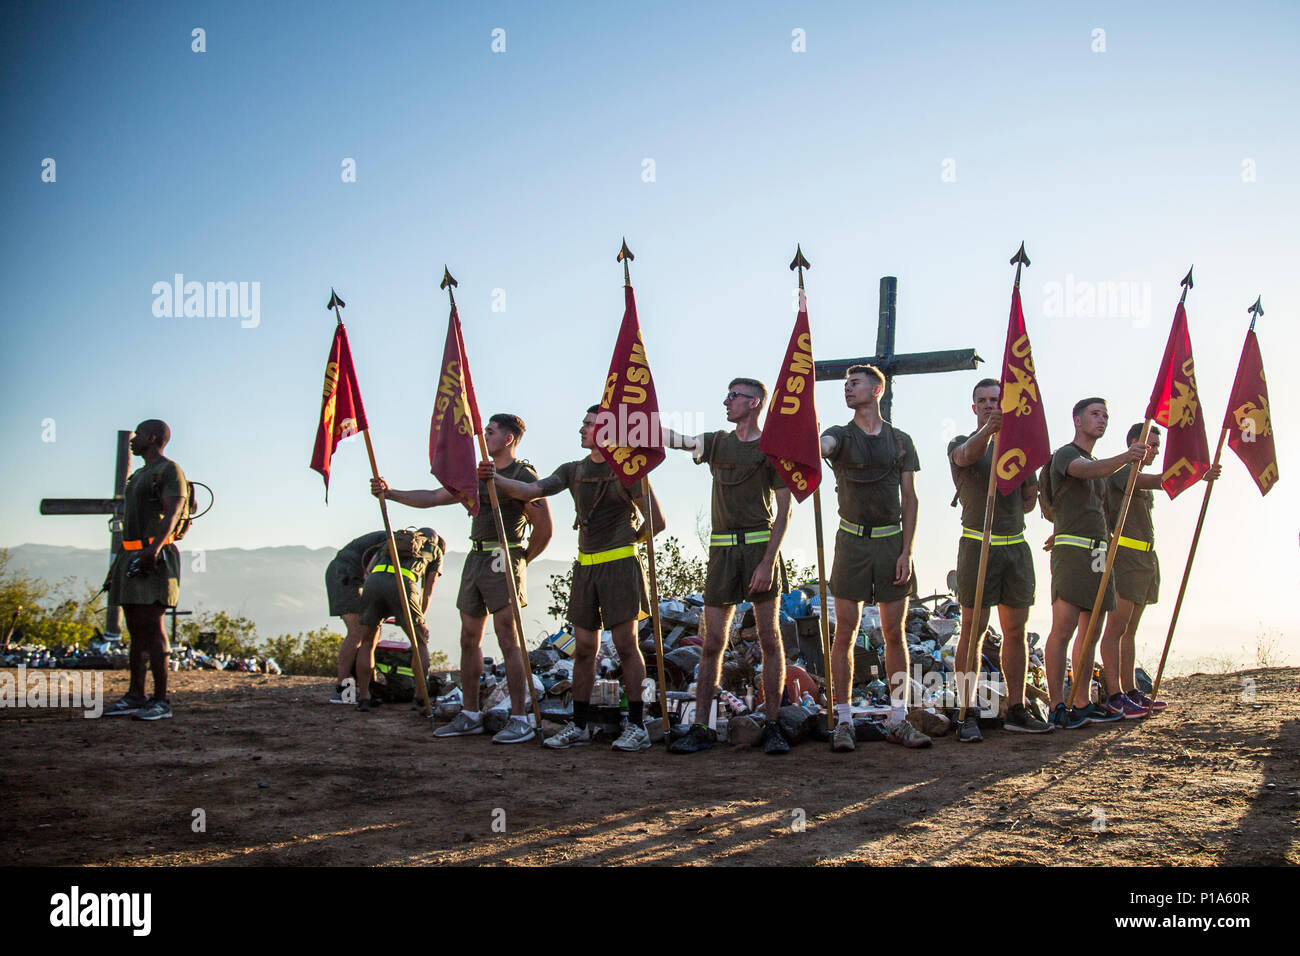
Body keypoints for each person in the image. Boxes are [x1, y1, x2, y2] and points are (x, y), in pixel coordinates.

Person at [487, 405, 665, 753]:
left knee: (627, 646)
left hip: (620, 568)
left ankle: (638, 725)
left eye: (589, 424)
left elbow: (656, 522)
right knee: (584, 649)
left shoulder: (629, 471)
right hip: (585, 568)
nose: (581, 429)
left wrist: (627, 543)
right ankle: (580, 725)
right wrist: (494, 478)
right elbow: (532, 490)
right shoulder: (573, 470)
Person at [371, 413, 553, 744]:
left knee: (508, 637)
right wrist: (390, 492)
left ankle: (519, 717)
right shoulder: (476, 473)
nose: (484, 435)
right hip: (475, 557)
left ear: (508, 439)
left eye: (492, 431)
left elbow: (543, 527)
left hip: (503, 555)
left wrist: (522, 559)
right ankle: (470, 713)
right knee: (469, 637)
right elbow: (434, 497)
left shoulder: (521, 474)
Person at [659, 377, 794, 755]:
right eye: (728, 395)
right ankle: (702, 727)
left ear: (754, 403)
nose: (726, 401)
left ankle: (772, 724)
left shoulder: (771, 449)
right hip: (721, 552)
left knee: (769, 640)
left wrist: (768, 561)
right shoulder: (717, 442)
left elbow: (784, 511)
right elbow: (678, 439)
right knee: (712, 642)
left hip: (758, 549)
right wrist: (636, 423)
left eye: (734, 396)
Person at [820, 366, 932, 752]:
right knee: (845, 631)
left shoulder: (901, 441)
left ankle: (898, 720)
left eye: (856, 383)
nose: (848, 389)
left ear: (877, 389)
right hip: (850, 541)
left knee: (893, 633)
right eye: (845, 384)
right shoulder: (841, 434)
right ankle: (844, 720)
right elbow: (825, 446)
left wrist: (907, 550)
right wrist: (817, 440)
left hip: (890, 544)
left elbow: (911, 498)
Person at [948, 378, 1052, 742]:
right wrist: (990, 433)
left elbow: (1027, 503)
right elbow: (965, 457)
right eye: (984, 401)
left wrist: (1030, 481)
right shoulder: (961, 444)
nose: (991, 405)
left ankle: (1017, 708)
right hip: (978, 545)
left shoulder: (1017, 450)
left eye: (997, 399)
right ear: (973, 407)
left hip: (1016, 547)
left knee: (1016, 631)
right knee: (972, 631)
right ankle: (966, 711)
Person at [1099, 423, 1219, 717]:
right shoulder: (1123, 471)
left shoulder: (1138, 474)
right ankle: (1113, 694)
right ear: (1133, 443)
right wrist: (1196, 474)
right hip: (1124, 557)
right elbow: (1155, 482)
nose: (1153, 451)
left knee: (1131, 630)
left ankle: (1129, 690)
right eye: (1149, 444)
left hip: (1146, 558)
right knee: (1116, 627)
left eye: (1157, 446)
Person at [1042, 398, 1148, 730]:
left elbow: (1100, 509)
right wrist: (1127, 458)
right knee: (1064, 628)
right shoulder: (1067, 454)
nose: (1102, 420)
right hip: (1073, 551)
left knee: (1091, 632)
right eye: (1095, 414)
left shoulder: (1102, 464)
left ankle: (1082, 702)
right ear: (1077, 420)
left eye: (1105, 415)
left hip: (1099, 552)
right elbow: (1084, 471)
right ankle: (1057, 705)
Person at [103, 420, 188, 721]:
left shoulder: (169, 470)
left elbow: (174, 510)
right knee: (135, 629)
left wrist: (152, 550)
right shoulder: (139, 474)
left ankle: (161, 701)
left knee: (153, 626)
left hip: (155, 556)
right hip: (131, 555)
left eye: (138, 435)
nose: (133, 440)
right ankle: (136, 695)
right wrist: (122, 562)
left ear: (152, 438)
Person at [353, 527, 444, 712]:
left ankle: (364, 698)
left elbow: (368, 571)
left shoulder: (393, 543)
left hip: (374, 583)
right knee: (419, 643)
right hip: (403, 585)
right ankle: (420, 697)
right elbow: (429, 587)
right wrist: (421, 618)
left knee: (367, 643)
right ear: (434, 540)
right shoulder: (434, 549)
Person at [326, 530, 391, 704]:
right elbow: (369, 574)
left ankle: (369, 686)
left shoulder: (400, 544)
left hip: (351, 576)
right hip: (344, 575)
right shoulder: (393, 542)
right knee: (357, 632)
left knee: (371, 633)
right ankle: (342, 688)